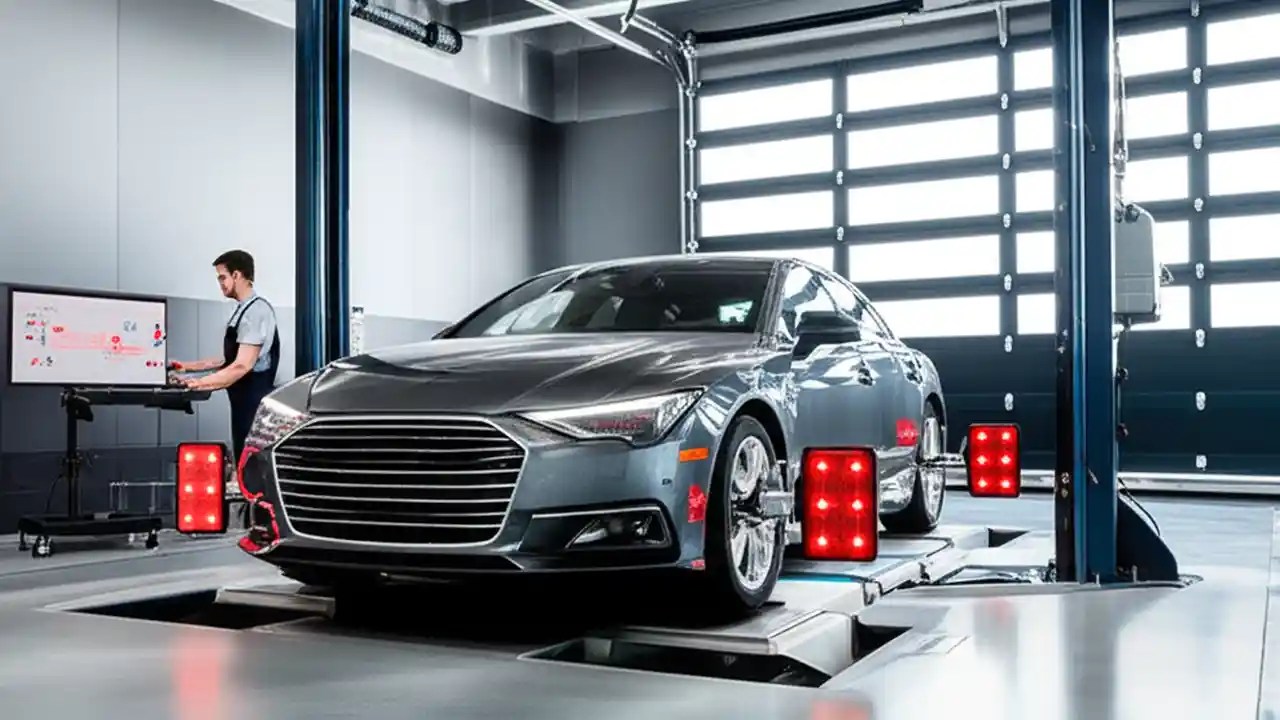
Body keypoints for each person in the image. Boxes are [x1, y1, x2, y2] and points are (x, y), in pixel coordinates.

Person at [171, 249, 280, 462]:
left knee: (251, 463)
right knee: (241, 457)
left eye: (222, 277)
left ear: (237, 275)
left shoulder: (256, 311)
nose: (220, 283)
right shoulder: (242, 310)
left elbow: (242, 365)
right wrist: (187, 368)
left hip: (254, 406)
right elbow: (228, 360)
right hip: (241, 404)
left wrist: (199, 383)